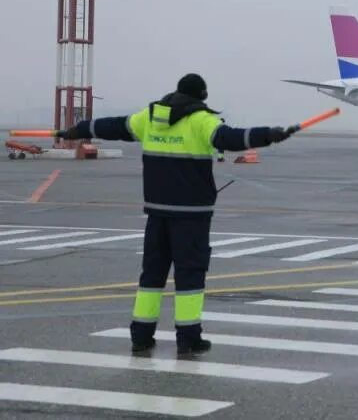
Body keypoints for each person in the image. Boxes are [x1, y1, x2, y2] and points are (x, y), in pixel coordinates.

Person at [57, 73, 294, 357]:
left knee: (152, 276)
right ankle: (189, 338)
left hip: (157, 212)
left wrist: (78, 129)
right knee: (190, 277)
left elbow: (114, 126)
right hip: (192, 214)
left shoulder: (151, 116)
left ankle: (141, 336)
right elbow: (231, 139)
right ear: (202, 96)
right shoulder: (201, 120)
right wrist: (269, 134)